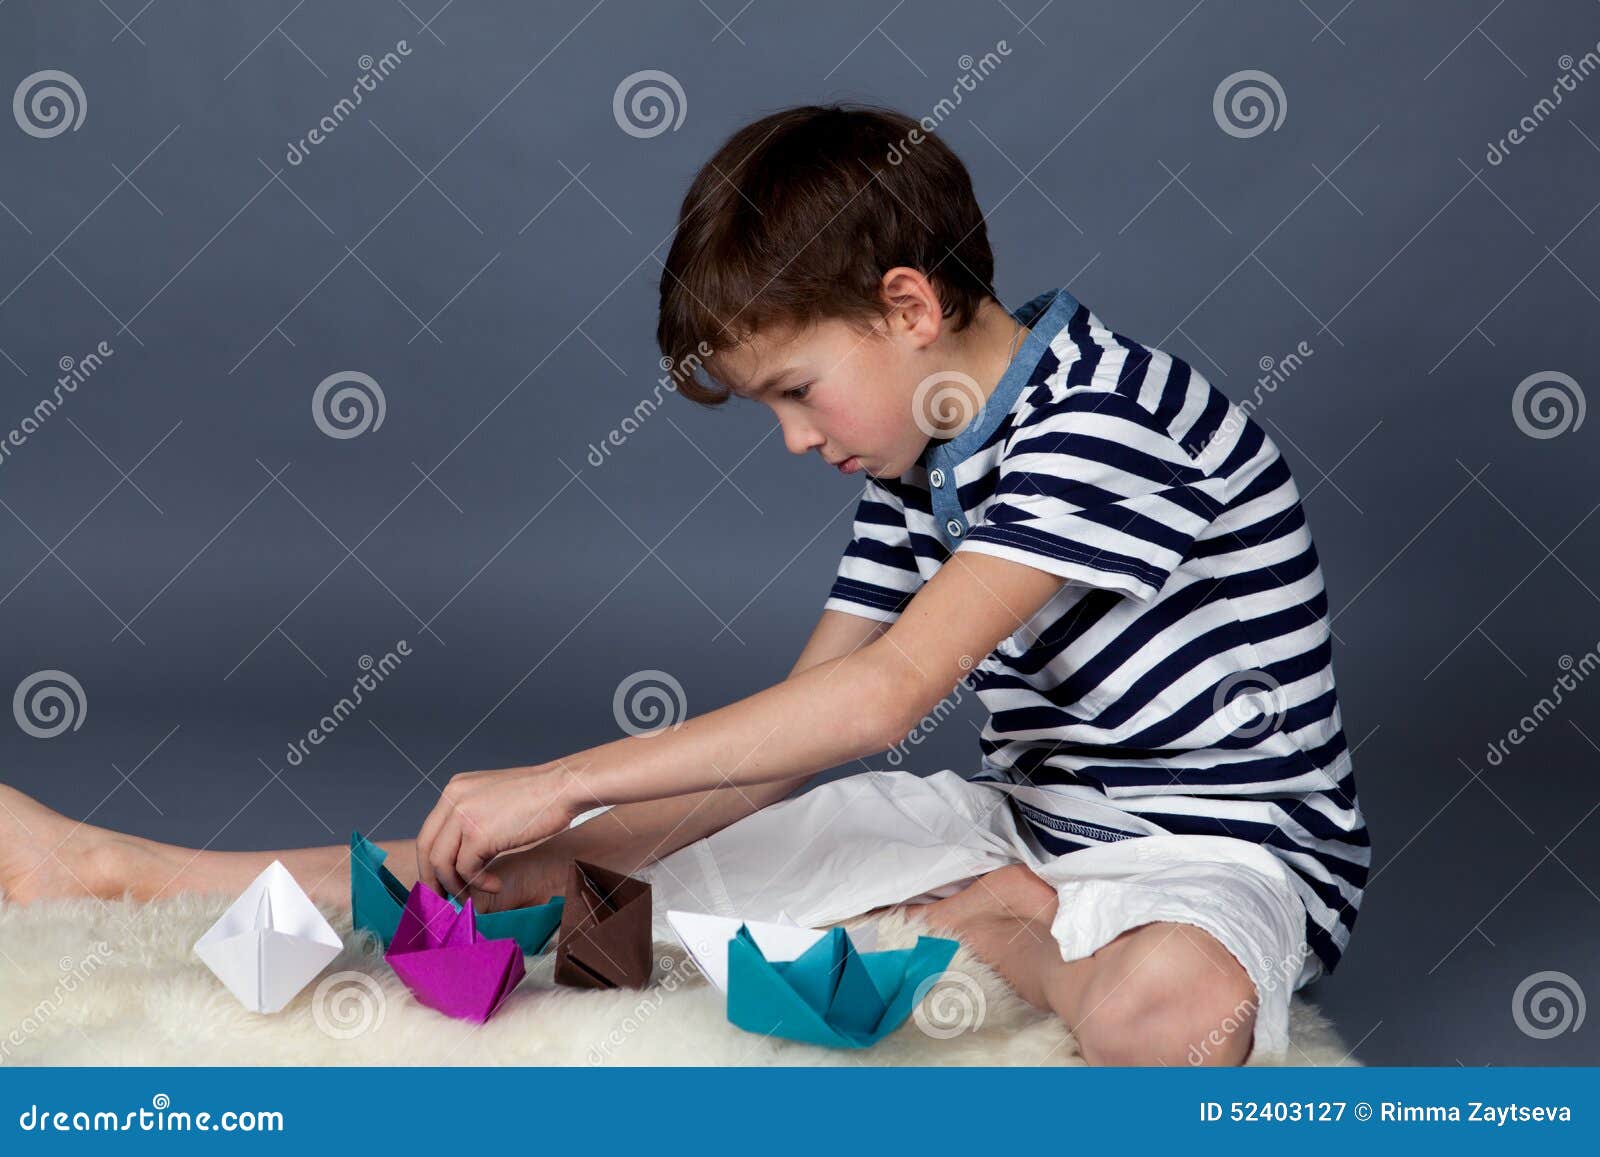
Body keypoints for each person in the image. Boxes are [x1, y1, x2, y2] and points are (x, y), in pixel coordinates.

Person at [0, 103, 1368, 1066]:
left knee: (1162, 1022)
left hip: (1219, 848)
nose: (795, 439)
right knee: (577, 891)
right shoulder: (924, 445)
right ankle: (155, 880)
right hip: (1015, 820)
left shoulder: (1105, 419)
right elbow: (814, 713)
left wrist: (561, 769)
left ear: (906, 306)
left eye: (795, 390)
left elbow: (887, 691)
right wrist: (579, 823)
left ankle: (1008, 944)